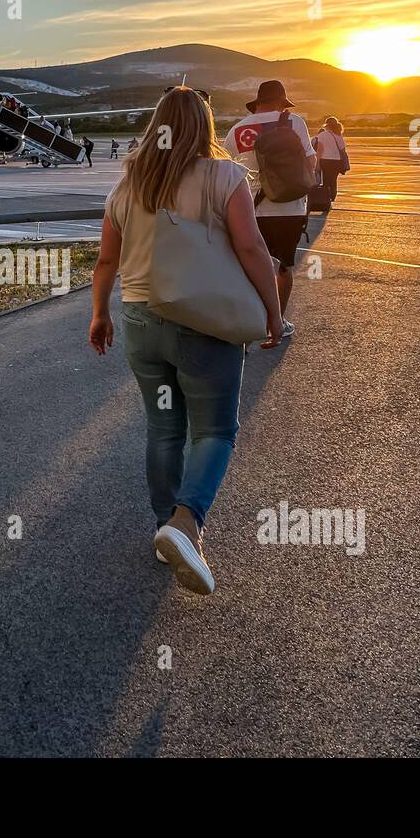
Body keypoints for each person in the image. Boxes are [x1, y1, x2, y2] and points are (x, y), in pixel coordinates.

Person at [89, 87, 283, 596]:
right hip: (202, 322)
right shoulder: (224, 176)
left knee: (164, 427)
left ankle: (164, 527)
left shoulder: (130, 181)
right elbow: (250, 244)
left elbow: (106, 259)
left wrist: (98, 315)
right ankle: (186, 522)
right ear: (205, 127)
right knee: (216, 430)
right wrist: (273, 310)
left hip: (138, 320)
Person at [227, 80, 316, 338]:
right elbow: (310, 162)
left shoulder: (238, 129)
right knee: (284, 267)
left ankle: (249, 321)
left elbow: (225, 168)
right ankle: (276, 322)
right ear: (281, 102)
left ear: (257, 103)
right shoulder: (293, 122)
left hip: (249, 208)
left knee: (249, 265)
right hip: (290, 206)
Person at [314, 115, 347, 205]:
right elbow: (343, 149)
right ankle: (332, 198)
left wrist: (317, 163)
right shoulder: (338, 135)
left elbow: (319, 150)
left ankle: (326, 199)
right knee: (333, 181)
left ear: (326, 125)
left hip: (326, 161)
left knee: (326, 181)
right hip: (337, 161)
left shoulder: (322, 135)